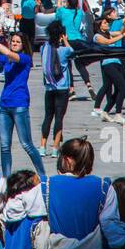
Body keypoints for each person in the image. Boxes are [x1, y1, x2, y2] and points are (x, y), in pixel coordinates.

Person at [0, 29, 44, 178]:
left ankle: (43, 175)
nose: (14, 43)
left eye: (18, 42)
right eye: (13, 41)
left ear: (23, 45)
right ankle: (6, 178)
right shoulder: (7, 58)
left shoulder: (24, 58)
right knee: (4, 146)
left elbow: (7, 54)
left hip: (20, 104)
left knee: (27, 144)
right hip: (4, 105)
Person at [39, 22, 74, 158]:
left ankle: (42, 146)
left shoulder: (44, 48)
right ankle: (55, 148)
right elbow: (72, 52)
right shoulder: (64, 50)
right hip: (62, 87)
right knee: (59, 118)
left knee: (48, 116)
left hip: (49, 87)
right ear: (60, 35)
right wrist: (65, 41)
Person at [92, 12, 125, 122]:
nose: (107, 24)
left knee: (119, 88)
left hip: (116, 62)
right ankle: (118, 114)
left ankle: (105, 112)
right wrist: (122, 36)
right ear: (99, 26)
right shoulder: (97, 36)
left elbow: (120, 32)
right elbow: (107, 42)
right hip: (108, 64)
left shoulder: (109, 33)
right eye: (104, 23)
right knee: (123, 87)